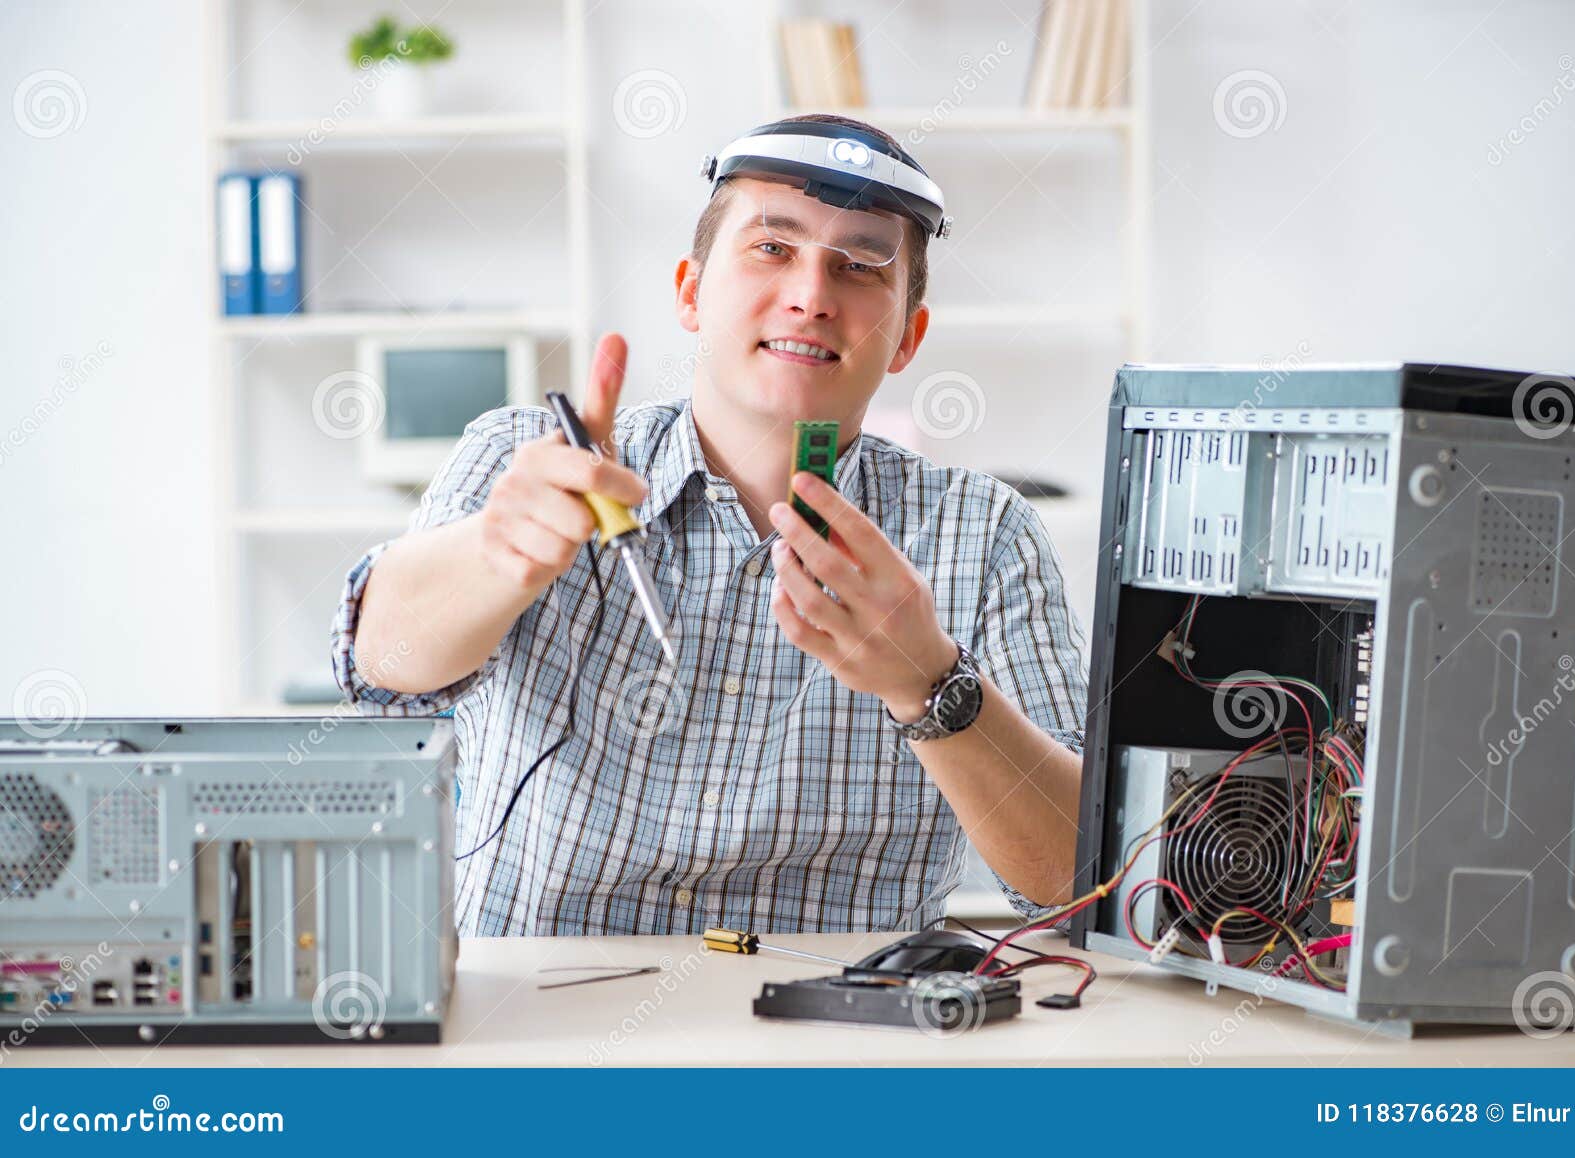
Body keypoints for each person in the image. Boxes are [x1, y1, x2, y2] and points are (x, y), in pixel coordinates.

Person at [332, 113, 1090, 936]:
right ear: (691, 292)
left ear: (907, 337)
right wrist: (495, 554)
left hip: (843, 1041)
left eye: (862, 265)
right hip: (547, 1032)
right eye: (772, 248)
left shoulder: (985, 533)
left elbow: (1075, 877)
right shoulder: (528, 458)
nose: (810, 296)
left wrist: (931, 683)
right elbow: (382, 668)